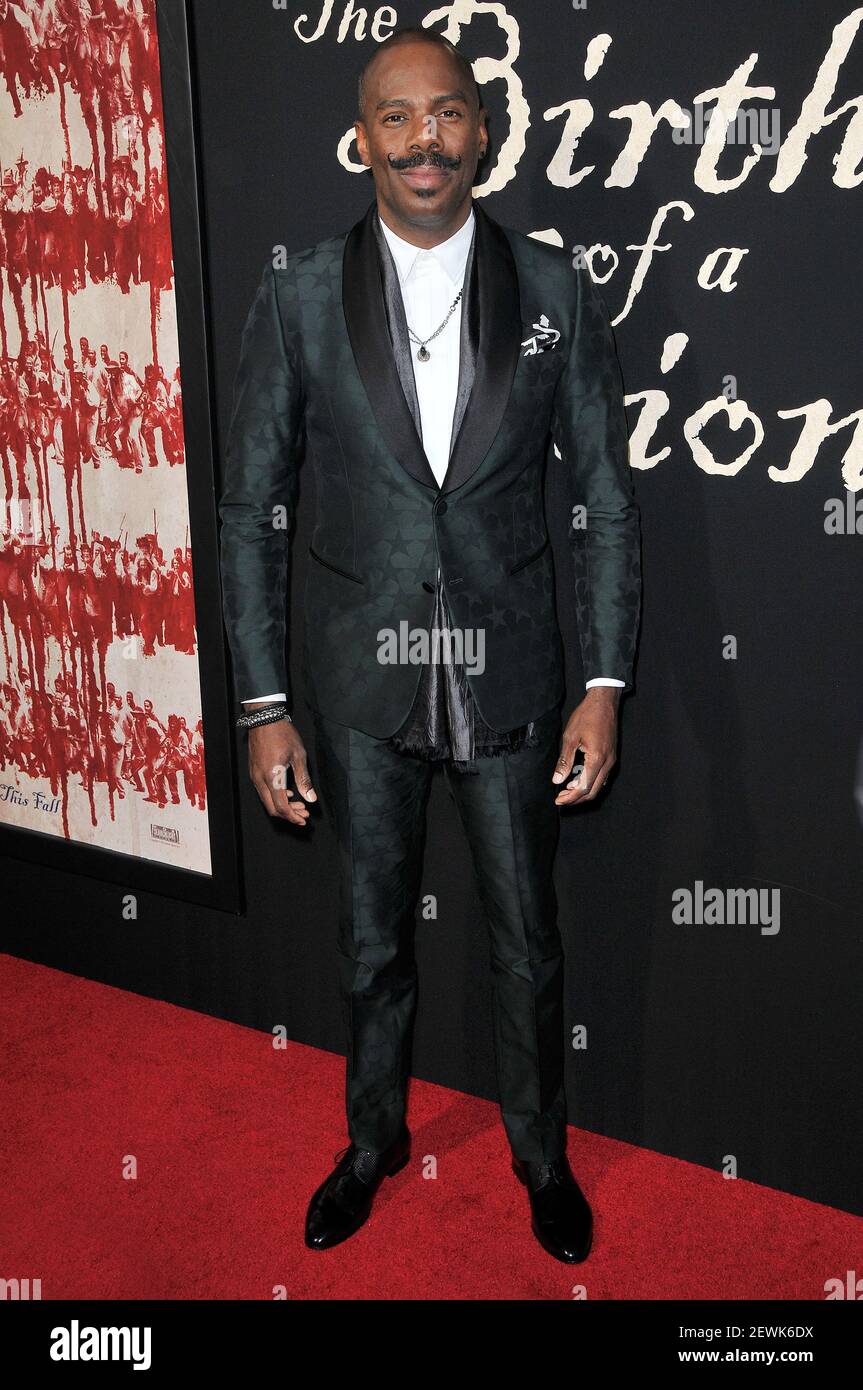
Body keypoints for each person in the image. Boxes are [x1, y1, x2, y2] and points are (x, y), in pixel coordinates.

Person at [218, 27, 641, 1263]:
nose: (423, 140)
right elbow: (251, 508)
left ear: (481, 130)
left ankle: (538, 1156)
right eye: (395, 118)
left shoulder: (553, 286)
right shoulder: (299, 288)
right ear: (363, 138)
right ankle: (369, 1142)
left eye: (445, 113)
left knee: (527, 940)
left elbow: (606, 500)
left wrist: (605, 682)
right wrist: (262, 705)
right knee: (367, 939)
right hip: (358, 681)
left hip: (509, 667)